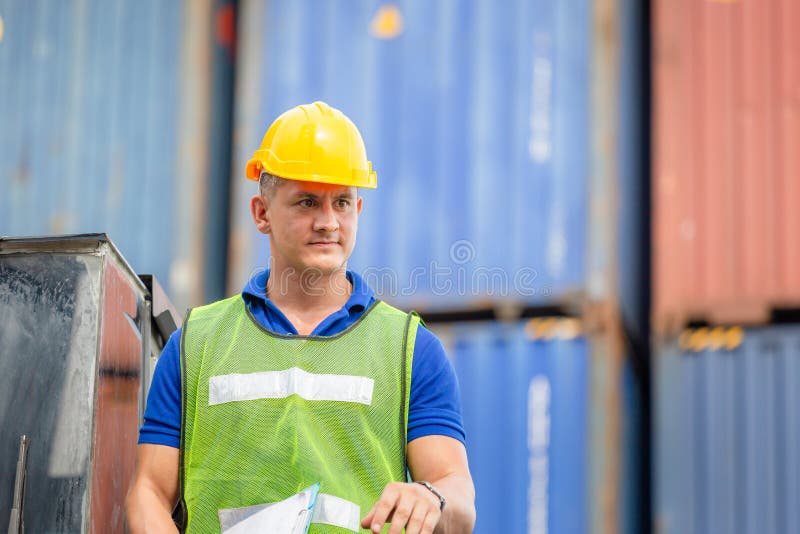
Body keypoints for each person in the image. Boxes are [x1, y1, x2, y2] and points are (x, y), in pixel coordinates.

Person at [126, 101, 475, 533]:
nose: (328, 222)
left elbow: (457, 497)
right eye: (308, 202)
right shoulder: (194, 344)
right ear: (262, 214)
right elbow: (148, 491)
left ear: (358, 213)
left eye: (343, 202)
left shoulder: (410, 350)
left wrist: (431, 497)